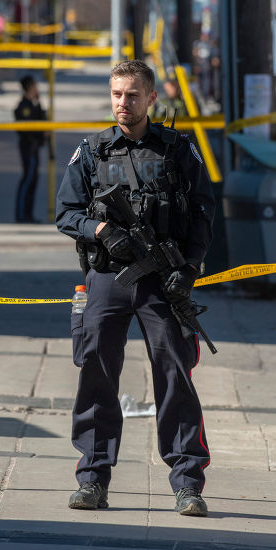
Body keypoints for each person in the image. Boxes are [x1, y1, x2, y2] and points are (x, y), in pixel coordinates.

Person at [56, 60, 215, 516]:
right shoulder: (91, 151)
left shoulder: (177, 148)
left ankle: (187, 484)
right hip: (107, 278)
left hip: (161, 283)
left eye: (131, 95)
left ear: (150, 99)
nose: (122, 103)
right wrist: (100, 229)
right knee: (96, 374)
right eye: (116, 94)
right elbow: (65, 213)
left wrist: (190, 266)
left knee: (175, 377)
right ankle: (92, 479)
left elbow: (204, 210)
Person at [14, 75, 46, 223]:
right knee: (28, 179)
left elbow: (42, 120)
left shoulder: (33, 105)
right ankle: (21, 214)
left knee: (33, 181)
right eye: (35, 85)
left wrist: (39, 103)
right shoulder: (23, 107)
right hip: (28, 148)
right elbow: (26, 129)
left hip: (34, 148)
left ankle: (28, 214)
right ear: (30, 87)